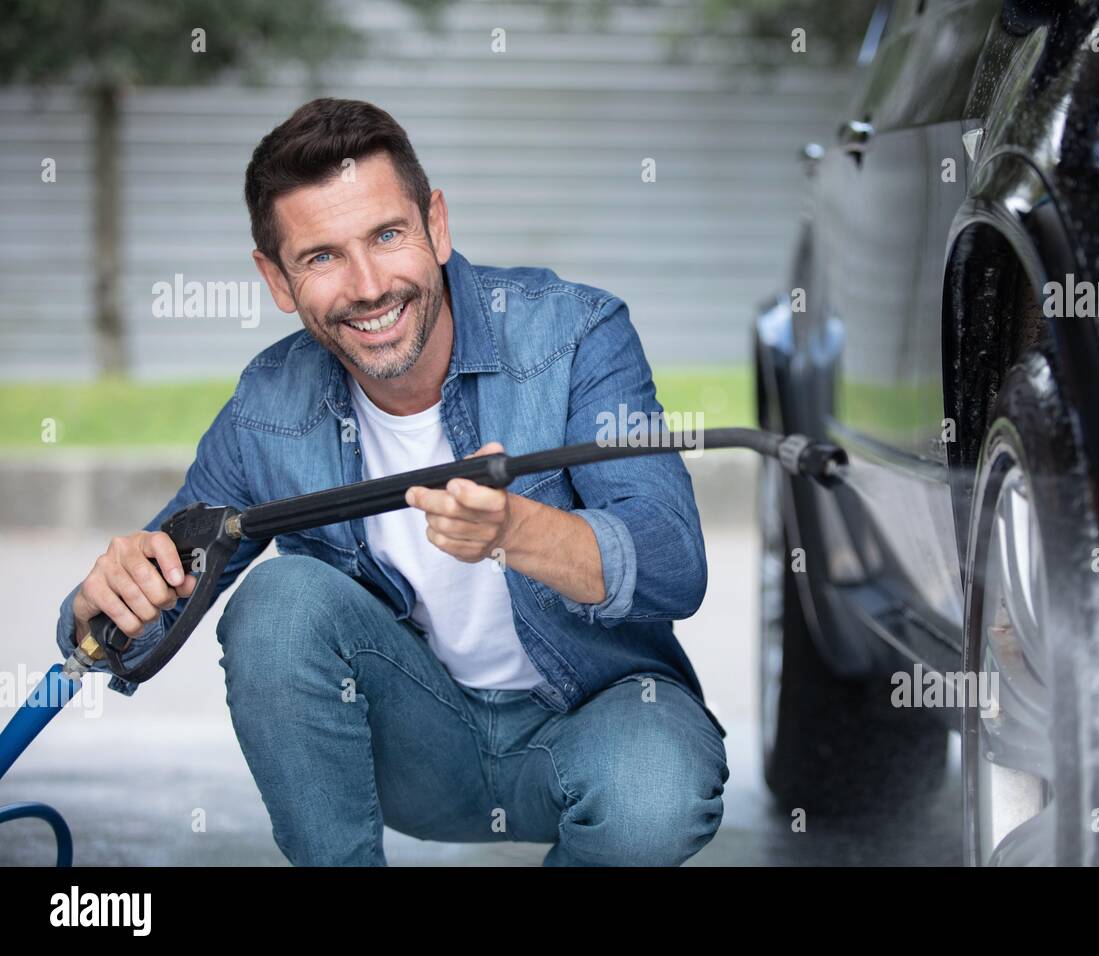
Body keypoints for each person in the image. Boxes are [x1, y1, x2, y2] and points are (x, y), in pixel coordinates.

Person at [54, 97, 728, 866]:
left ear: (435, 225)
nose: (369, 286)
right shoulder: (267, 407)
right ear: (277, 279)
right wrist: (100, 604)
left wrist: (517, 531)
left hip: (593, 726)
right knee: (279, 601)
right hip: (417, 751)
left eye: (386, 235)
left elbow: (673, 564)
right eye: (322, 257)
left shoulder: (575, 335)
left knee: (657, 789)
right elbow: (146, 606)